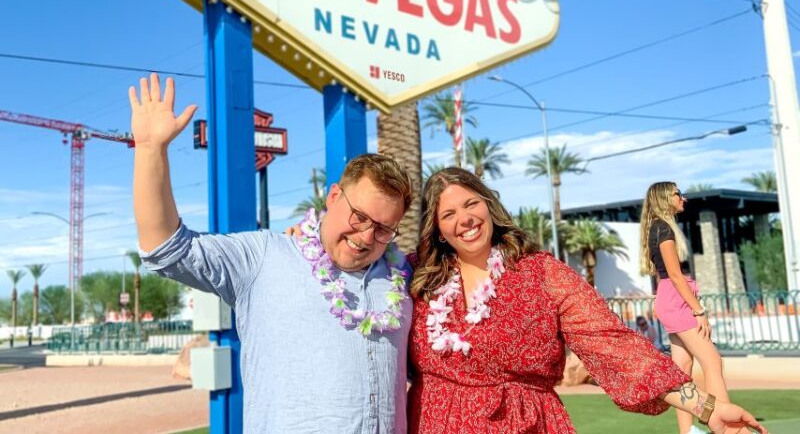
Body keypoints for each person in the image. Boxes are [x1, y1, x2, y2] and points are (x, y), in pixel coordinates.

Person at [130, 73, 414, 433]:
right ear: (333, 197)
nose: (367, 236)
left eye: (384, 229)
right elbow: (168, 249)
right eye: (359, 217)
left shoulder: (402, 277)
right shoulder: (265, 257)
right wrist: (150, 150)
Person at [407, 167, 765, 434]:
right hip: (435, 423)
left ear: (489, 207)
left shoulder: (541, 273)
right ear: (438, 230)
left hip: (526, 424)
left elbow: (612, 344)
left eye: (471, 204)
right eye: (449, 214)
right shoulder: (414, 278)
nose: (465, 219)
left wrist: (707, 407)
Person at [640, 182, 732, 434]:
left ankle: (688, 430)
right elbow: (675, 275)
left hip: (670, 298)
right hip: (677, 300)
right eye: (678, 194)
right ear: (664, 199)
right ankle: (725, 426)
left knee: (682, 370)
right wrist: (698, 311)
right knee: (712, 361)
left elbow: (664, 276)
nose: (684, 198)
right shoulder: (663, 229)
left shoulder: (657, 227)